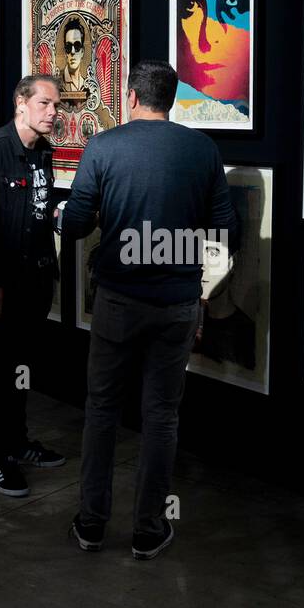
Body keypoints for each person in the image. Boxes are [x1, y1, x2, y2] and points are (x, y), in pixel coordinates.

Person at [62, 59, 238, 559]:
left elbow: (75, 224)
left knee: (101, 411)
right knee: (160, 416)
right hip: (178, 303)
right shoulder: (201, 149)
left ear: (131, 97)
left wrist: (79, 217)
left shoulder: (104, 146)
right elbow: (227, 231)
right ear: (172, 99)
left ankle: (92, 525)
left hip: (119, 299)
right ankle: (148, 530)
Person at [0, 74, 66, 497]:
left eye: (56, 105)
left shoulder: (42, 152)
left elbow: (38, 213)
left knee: (23, 365)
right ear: (20, 103)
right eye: (45, 103)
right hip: (3, 284)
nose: (53, 112)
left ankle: (20, 442)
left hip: (38, 280)